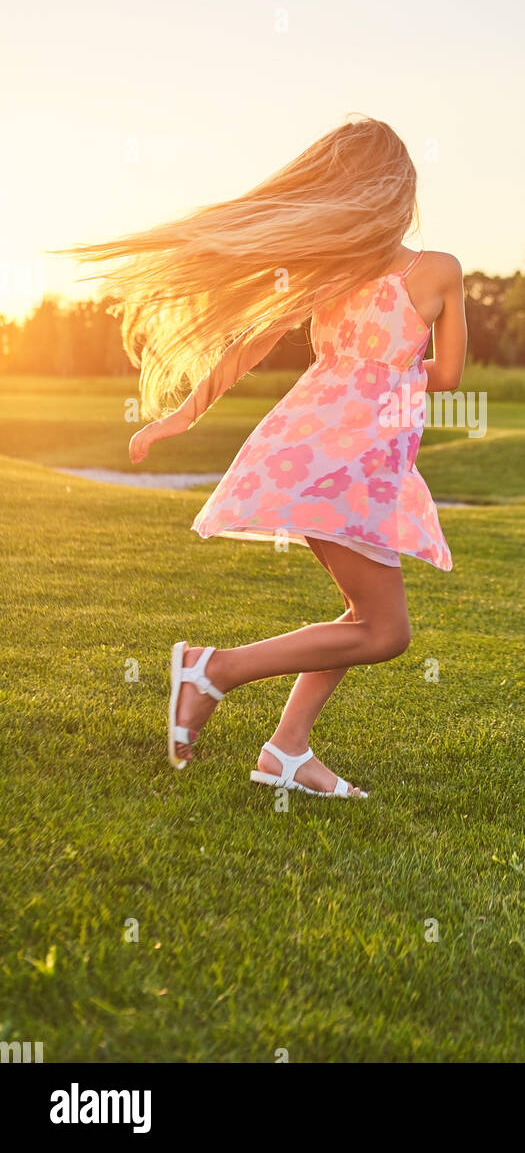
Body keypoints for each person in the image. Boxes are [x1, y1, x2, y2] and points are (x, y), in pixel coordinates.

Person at [68, 117, 466, 799]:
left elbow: (248, 346)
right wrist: (390, 371)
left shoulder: (327, 269)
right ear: (400, 193)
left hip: (314, 451)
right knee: (385, 630)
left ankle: (287, 750)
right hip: (358, 461)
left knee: (363, 616)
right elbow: (450, 374)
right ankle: (211, 670)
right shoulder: (438, 271)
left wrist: (181, 415)